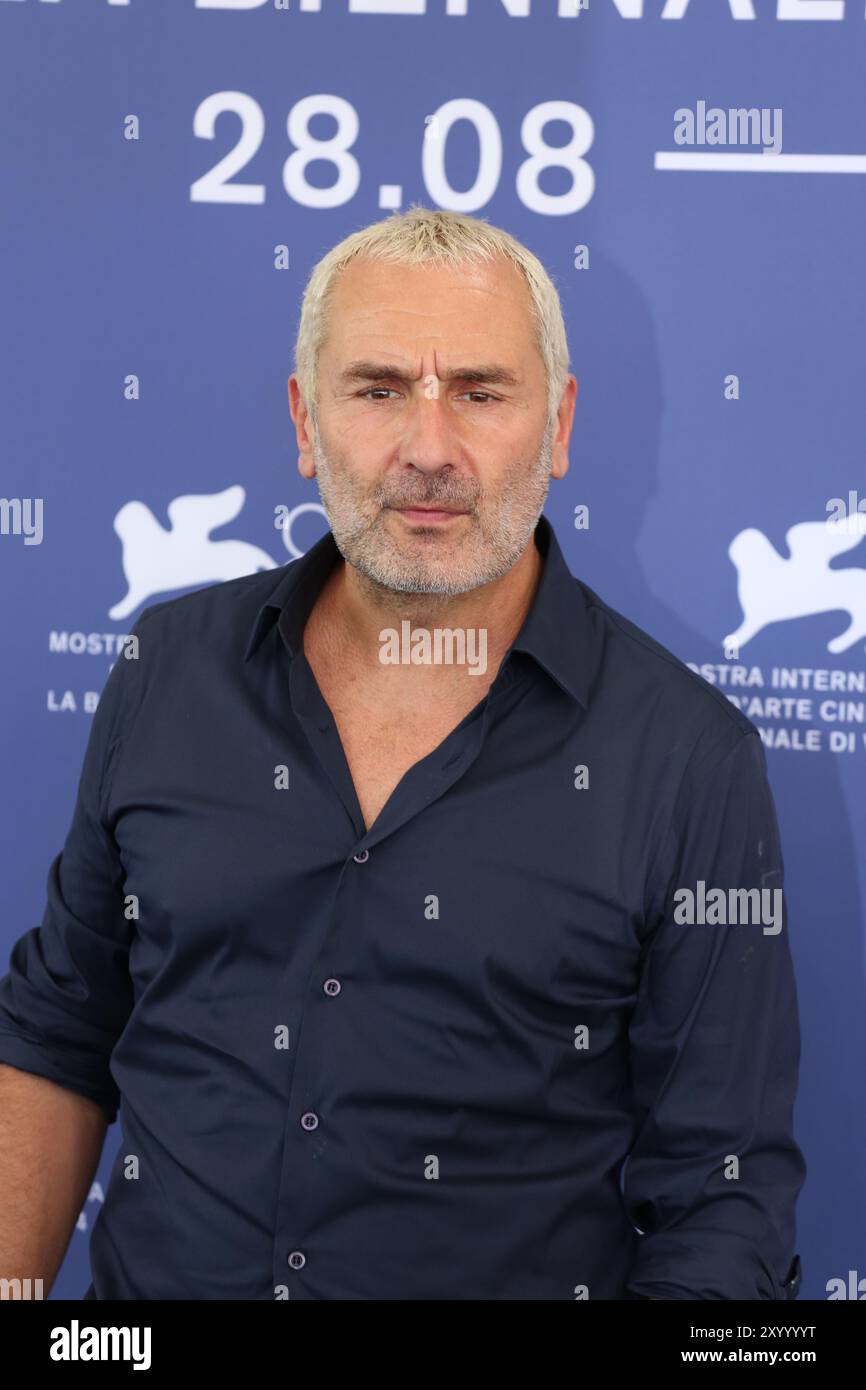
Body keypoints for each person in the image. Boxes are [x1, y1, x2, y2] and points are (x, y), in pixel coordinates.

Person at [0, 207, 805, 1300]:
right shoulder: (168, 666)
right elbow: (57, 1030)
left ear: (558, 426)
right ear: (303, 419)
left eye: (478, 391)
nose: (428, 450)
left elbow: (718, 1196)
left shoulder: (685, 756)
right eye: (377, 389)